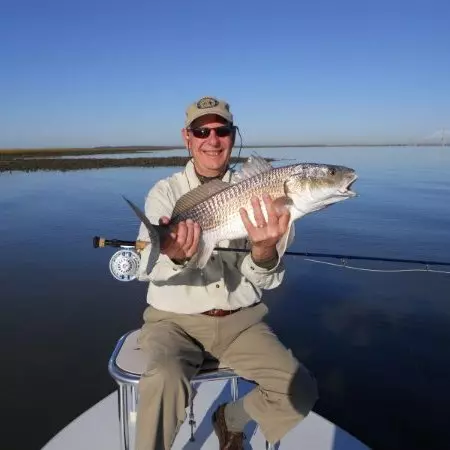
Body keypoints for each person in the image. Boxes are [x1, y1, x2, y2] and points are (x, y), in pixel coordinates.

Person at [135, 96, 318, 450]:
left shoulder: (269, 195)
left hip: (241, 321)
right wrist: (174, 255)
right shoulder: (165, 193)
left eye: (222, 130)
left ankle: (230, 418)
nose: (212, 140)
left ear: (233, 136)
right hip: (174, 322)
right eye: (202, 131)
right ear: (187, 137)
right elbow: (145, 267)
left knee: (301, 388)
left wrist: (264, 250)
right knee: (164, 378)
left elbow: (270, 279)